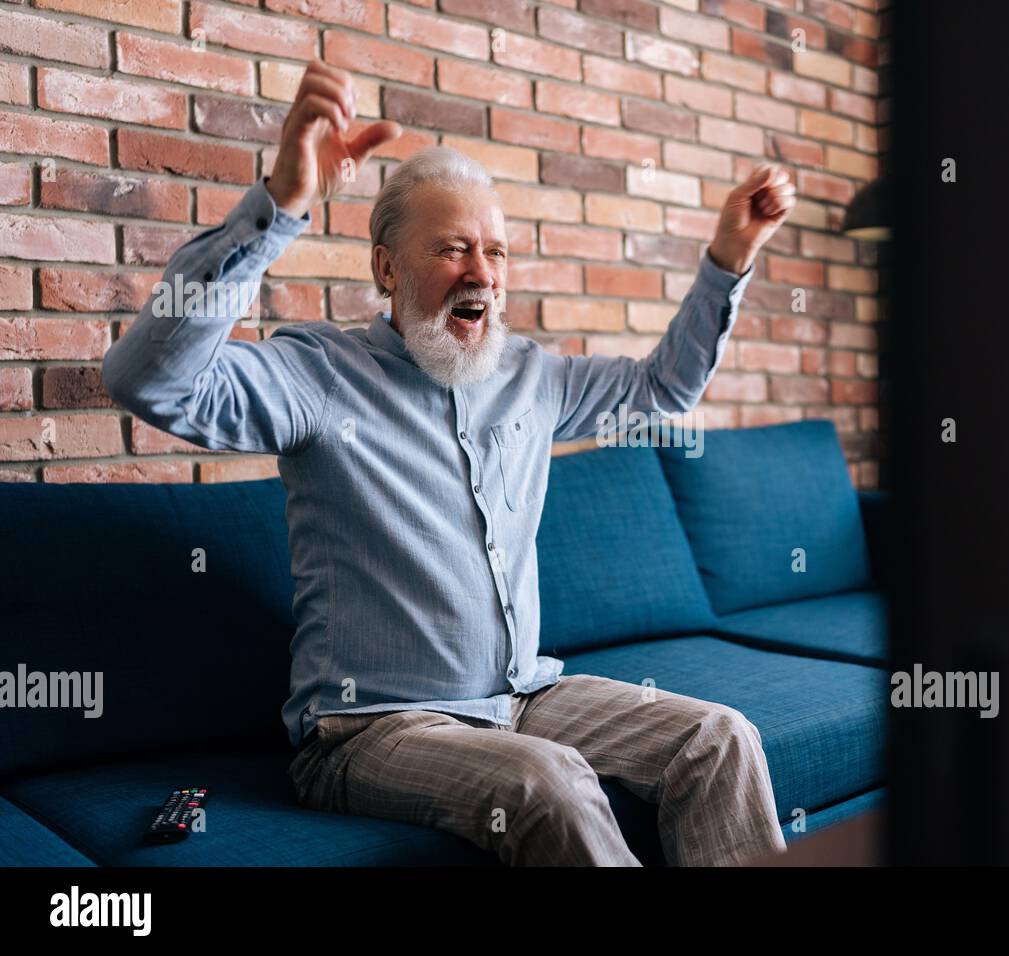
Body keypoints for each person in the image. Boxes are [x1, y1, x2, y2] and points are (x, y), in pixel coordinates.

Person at [102, 60, 798, 866]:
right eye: (455, 248)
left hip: (523, 698)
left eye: (496, 253)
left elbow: (663, 391)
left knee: (720, 738)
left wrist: (729, 255)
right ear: (387, 269)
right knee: (550, 781)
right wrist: (280, 208)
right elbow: (148, 379)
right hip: (373, 730)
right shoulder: (320, 376)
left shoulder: (532, 379)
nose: (482, 274)